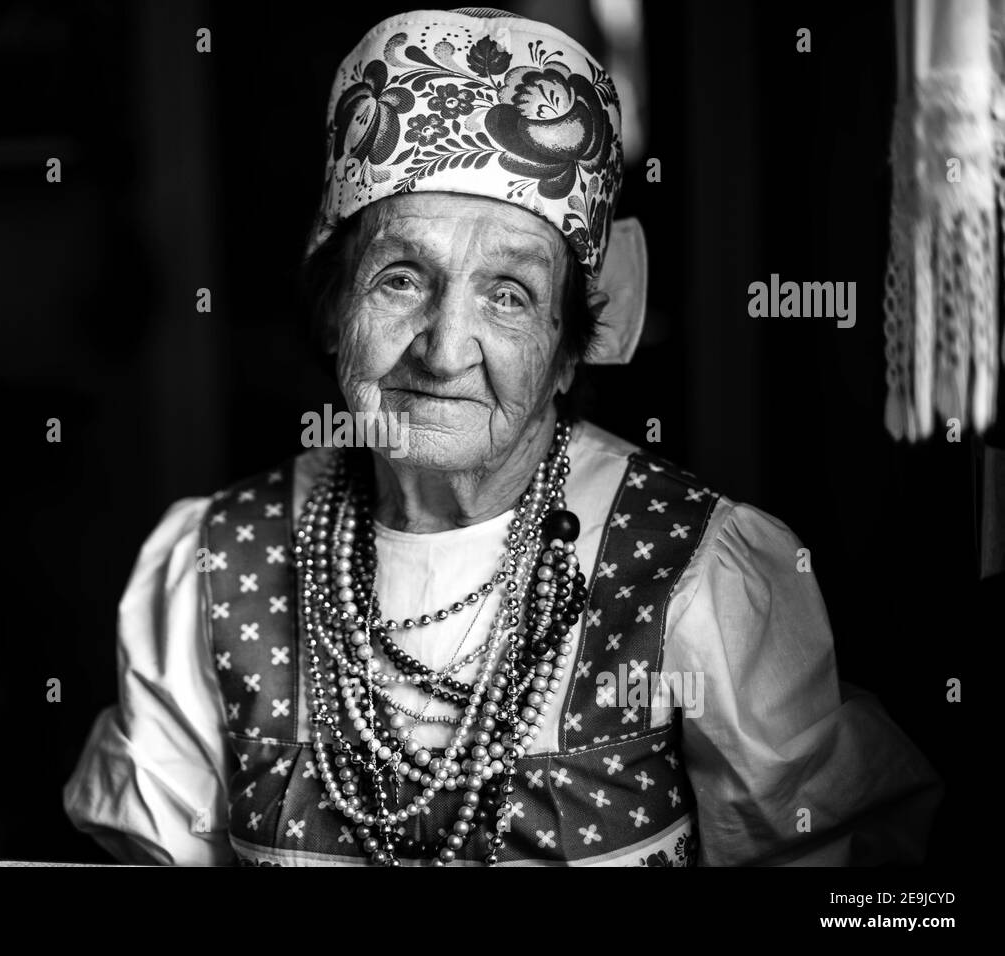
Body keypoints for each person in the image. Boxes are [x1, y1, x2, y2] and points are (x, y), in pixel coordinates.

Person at [63, 6, 942, 866]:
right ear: (334, 312)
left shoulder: (697, 573)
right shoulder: (214, 565)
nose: (445, 350)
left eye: (508, 295)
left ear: (565, 352)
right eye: (401, 279)